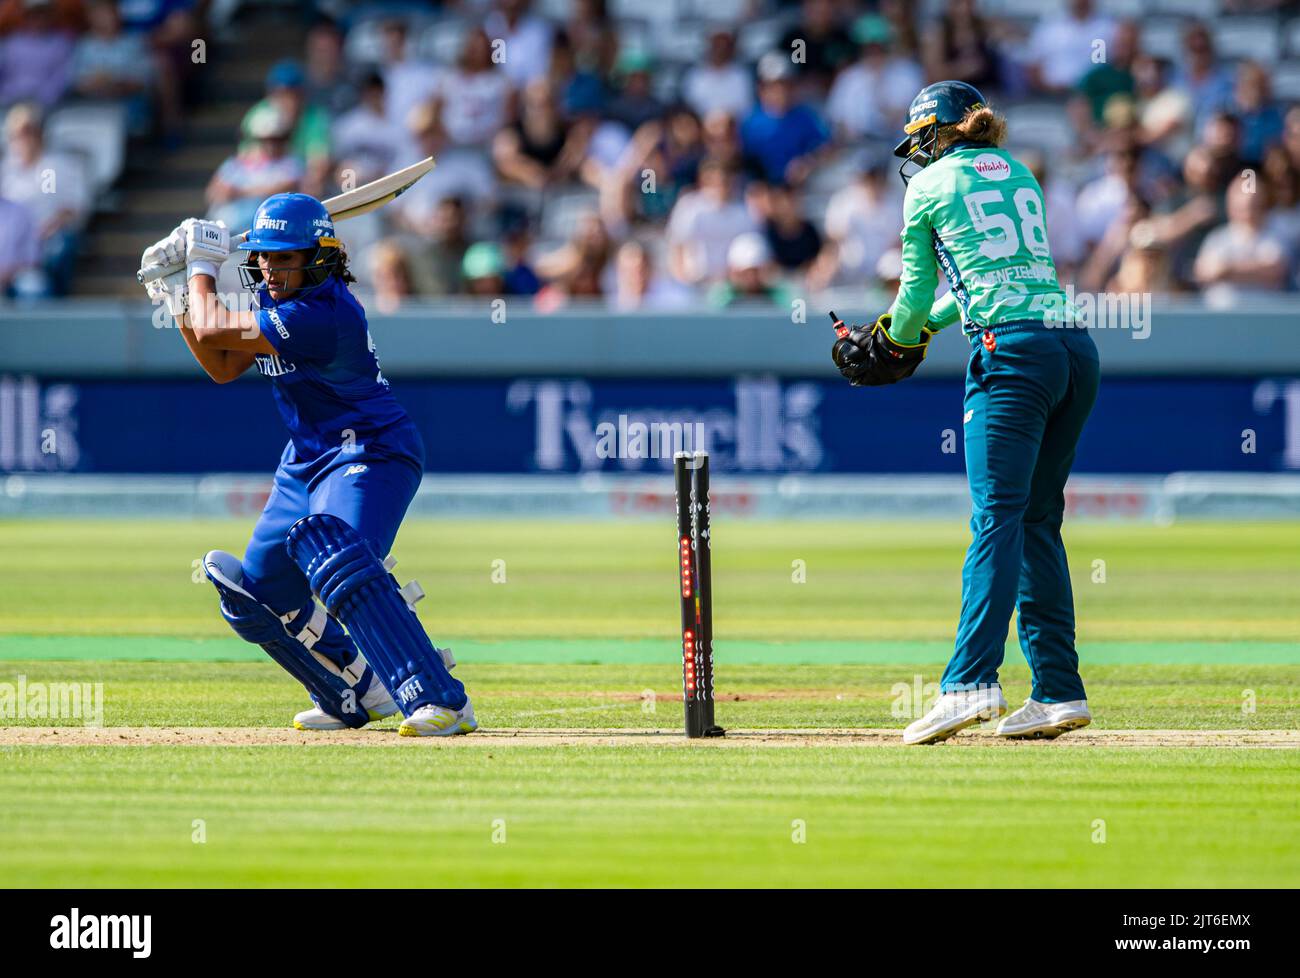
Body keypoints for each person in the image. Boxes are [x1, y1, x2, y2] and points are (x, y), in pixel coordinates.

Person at [137, 194, 477, 737]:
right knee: (259, 592)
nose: (270, 270)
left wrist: (199, 267)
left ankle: (440, 699)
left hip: (371, 450)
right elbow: (220, 366)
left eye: (285, 258)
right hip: (306, 458)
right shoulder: (279, 304)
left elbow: (213, 331)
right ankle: (354, 691)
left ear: (320, 258)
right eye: (265, 259)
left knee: (339, 553)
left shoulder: (323, 313)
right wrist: (179, 290)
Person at [832, 81, 1100, 744]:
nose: (917, 152)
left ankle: (969, 684)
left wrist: (893, 337)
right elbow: (991, 279)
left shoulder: (926, 187)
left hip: (1009, 354)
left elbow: (919, 292)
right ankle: (1058, 691)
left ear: (935, 133)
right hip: (1071, 347)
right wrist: (911, 328)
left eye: (920, 139)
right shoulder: (1017, 171)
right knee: (1037, 521)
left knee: (995, 520)